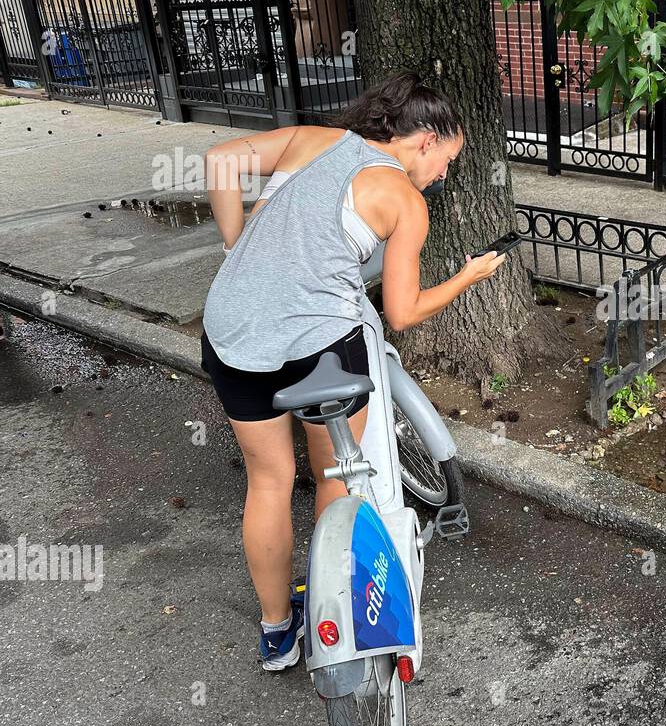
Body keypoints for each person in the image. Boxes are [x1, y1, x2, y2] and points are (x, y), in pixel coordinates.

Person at [201, 72, 505, 670]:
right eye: (447, 160)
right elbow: (403, 311)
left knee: (268, 481)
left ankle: (275, 634)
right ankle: (328, 610)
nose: (444, 176)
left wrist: (240, 250)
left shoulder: (318, 139)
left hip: (231, 331)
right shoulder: (404, 200)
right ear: (425, 140)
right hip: (319, 343)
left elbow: (218, 162)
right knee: (337, 473)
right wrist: (467, 277)